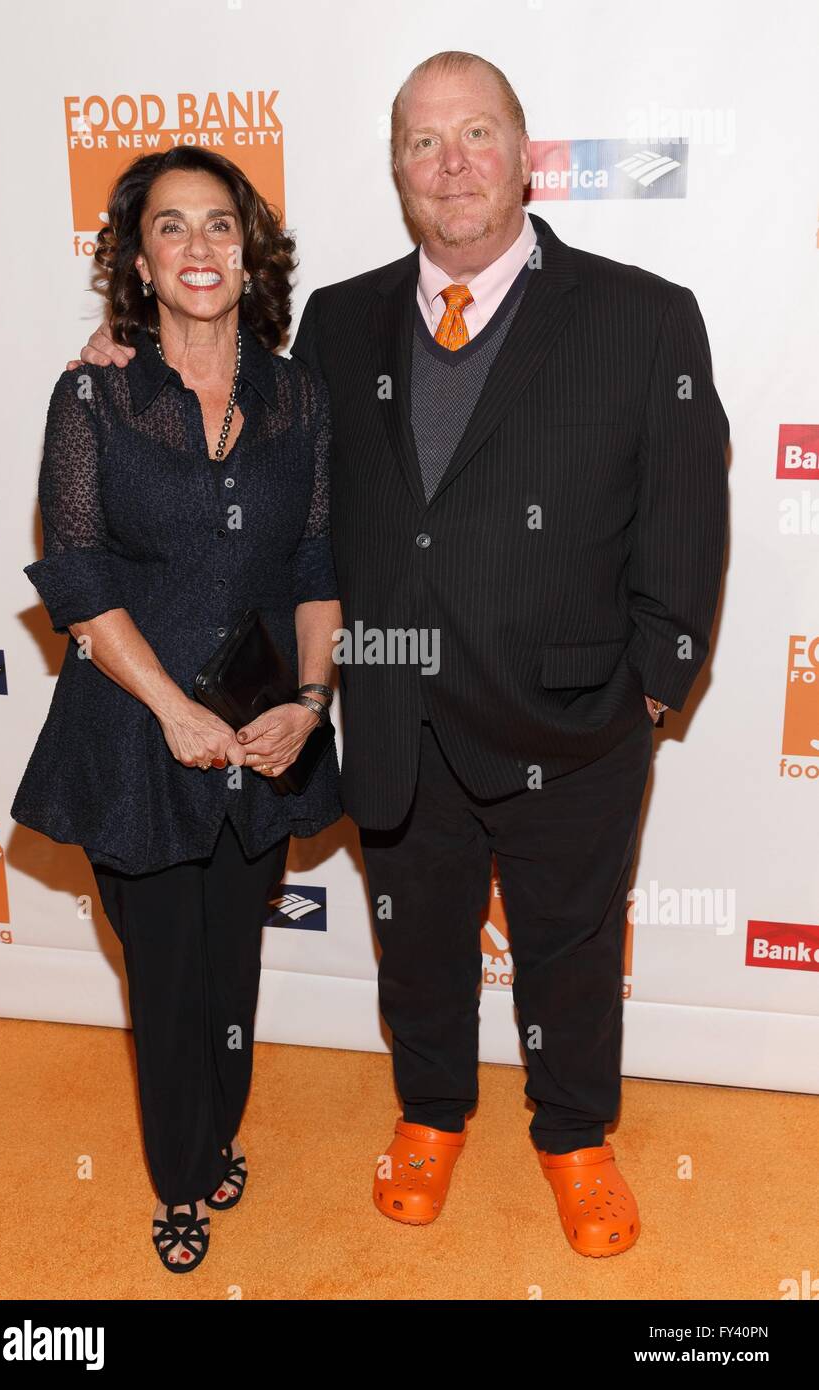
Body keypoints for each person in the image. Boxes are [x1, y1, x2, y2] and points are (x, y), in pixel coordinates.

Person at [71, 52, 729, 1259]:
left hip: (574, 716)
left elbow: (687, 515)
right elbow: (259, 473)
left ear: (524, 155)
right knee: (416, 944)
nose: (452, 165)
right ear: (396, 171)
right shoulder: (339, 319)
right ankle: (430, 1113)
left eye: (476, 135)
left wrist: (647, 681)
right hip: (395, 710)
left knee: (570, 947)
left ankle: (575, 1136)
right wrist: (129, 360)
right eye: (423, 144)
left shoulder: (642, 316)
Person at [11, 146, 342, 1272]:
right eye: (170, 227)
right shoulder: (95, 394)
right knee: (163, 972)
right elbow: (81, 578)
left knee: (229, 963)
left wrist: (308, 699)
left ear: (249, 253)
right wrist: (167, 709)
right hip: (132, 735)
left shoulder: (299, 394)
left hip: (259, 730)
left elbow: (314, 559)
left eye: (219, 225)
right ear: (137, 262)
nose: (197, 247)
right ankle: (179, 1178)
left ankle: (217, 1132)